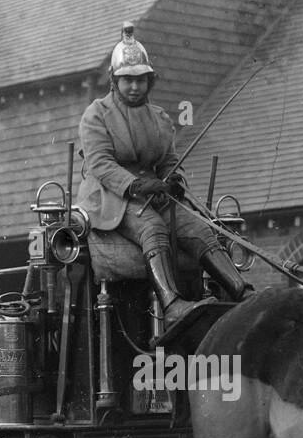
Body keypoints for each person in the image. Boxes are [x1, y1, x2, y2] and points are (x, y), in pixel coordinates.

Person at [78, 22, 252, 343]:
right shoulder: (97, 114)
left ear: (150, 81)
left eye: (140, 80)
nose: (134, 87)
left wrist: (174, 181)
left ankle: (240, 291)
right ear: (115, 82)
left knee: (199, 229)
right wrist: (137, 186)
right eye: (127, 80)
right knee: (152, 229)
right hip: (110, 196)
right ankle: (172, 303)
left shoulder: (159, 117)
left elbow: (170, 161)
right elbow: (100, 164)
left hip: (156, 194)